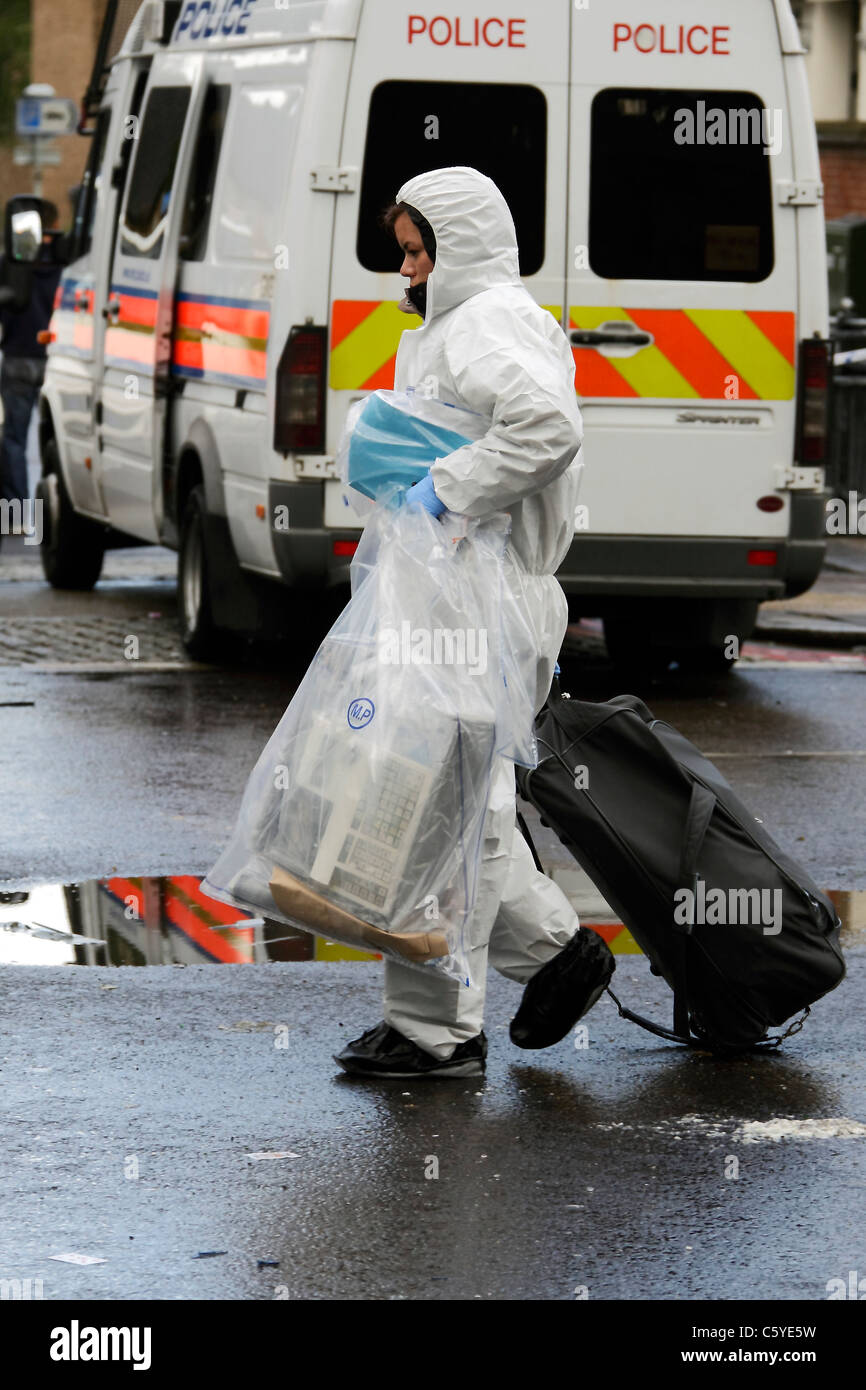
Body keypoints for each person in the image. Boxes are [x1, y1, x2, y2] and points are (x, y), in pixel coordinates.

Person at [335, 166, 615, 1080]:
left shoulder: (489, 321)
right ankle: (551, 954)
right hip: (461, 595)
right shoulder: (458, 324)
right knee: (449, 804)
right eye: (404, 253)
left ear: (456, 245)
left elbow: (546, 430)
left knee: (447, 813)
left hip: (489, 603)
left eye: (417, 251)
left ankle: (437, 1032)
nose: (406, 271)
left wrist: (440, 493)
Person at [0, 200, 63, 506]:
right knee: (61, 439)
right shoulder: (66, 263)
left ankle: (16, 510)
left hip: (18, 358)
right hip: (58, 360)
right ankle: (60, 506)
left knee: (14, 440)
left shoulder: (9, 263)